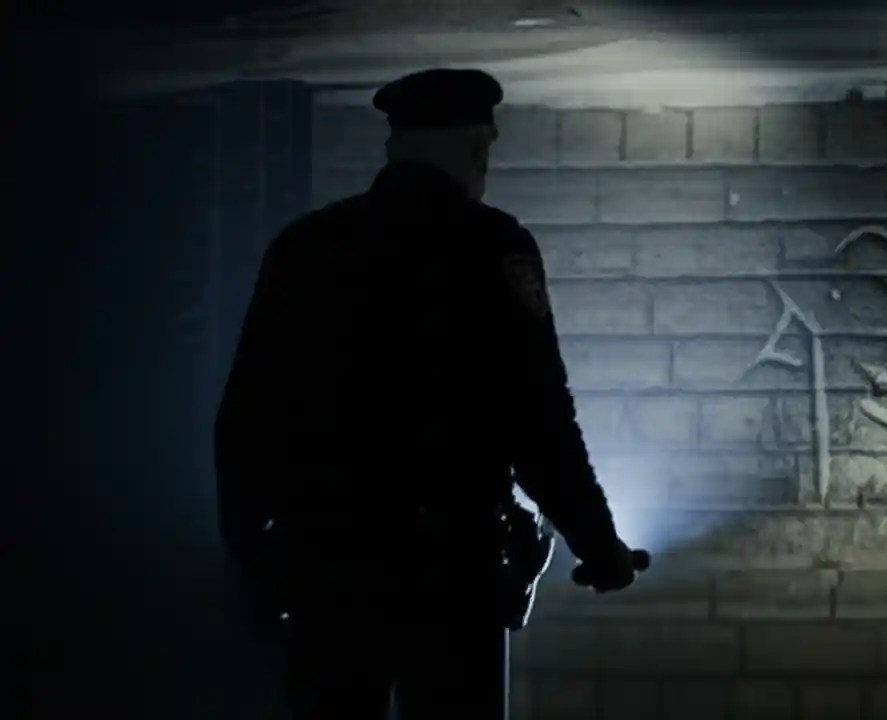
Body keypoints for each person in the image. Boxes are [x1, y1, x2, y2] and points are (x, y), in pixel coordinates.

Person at [213, 68, 645, 719]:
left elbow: (246, 418)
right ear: (476, 146)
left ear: (395, 146)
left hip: (329, 567)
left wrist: (250, 561)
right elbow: (541, 421)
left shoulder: (305, 247)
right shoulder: (492, 246)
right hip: (450, 572)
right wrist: (599, 547)